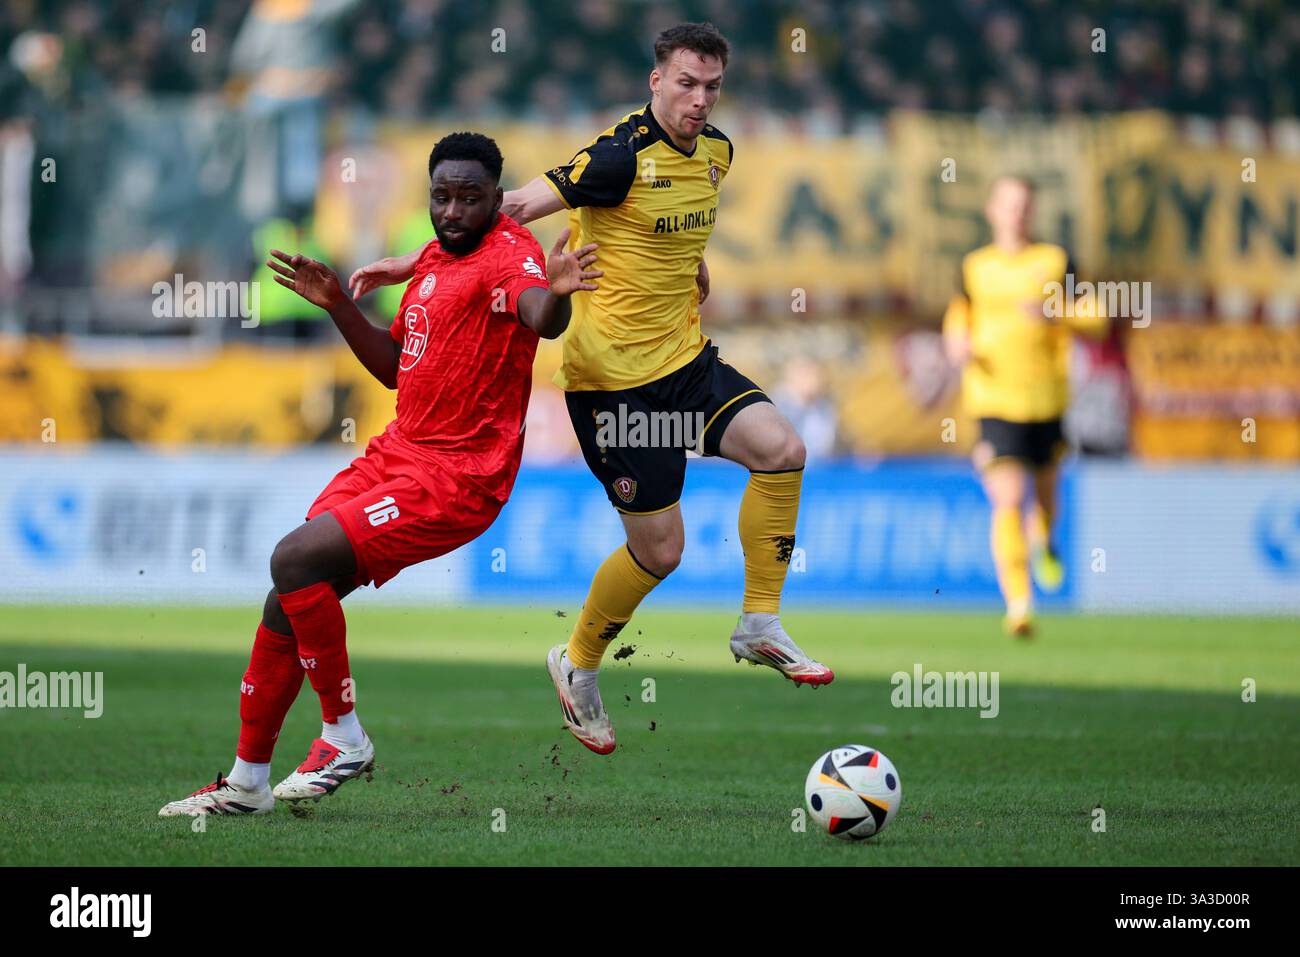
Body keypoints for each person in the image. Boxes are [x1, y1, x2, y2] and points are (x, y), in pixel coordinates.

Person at [350, 23, 832, 758]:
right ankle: (576, 664)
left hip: (687, 364)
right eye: (685, 84)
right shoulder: (617, 156)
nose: (699, 100)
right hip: (615, 391)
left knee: (783, 447)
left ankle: (758, 622)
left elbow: (671, 236)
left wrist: (690, 270)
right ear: (655, 81)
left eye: (711, 87)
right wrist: (410, 263)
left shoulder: (718, 154)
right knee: (662, 551)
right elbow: (502, 207)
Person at [159, 132, 601, 815]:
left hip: (458, 478)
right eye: (441, 197)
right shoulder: (430, 258)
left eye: (470, 198)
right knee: (291, 589)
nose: (452, 211)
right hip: (399, 452)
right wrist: (339, 305)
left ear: (495, 199)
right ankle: (247, 781)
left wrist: (561, 293)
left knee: (294, 556)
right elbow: (398, 367)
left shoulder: (510, 256)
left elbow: (537, 312)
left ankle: (343, 733)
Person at [942, 175, 1107, 637]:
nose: (1017, 213)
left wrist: (1058, 314)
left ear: (1032, 213)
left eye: (1025, 205)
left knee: (1046, 494)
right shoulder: (975, 266)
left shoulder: (1054, 261)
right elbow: (959, 316)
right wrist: (957, 342)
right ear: (992, 210)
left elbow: (1097, 317)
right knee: (1009, 498)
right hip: (994, 398)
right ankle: (1018, 605)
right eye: (1009, 205)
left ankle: (1046, 542)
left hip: (1048, 398)